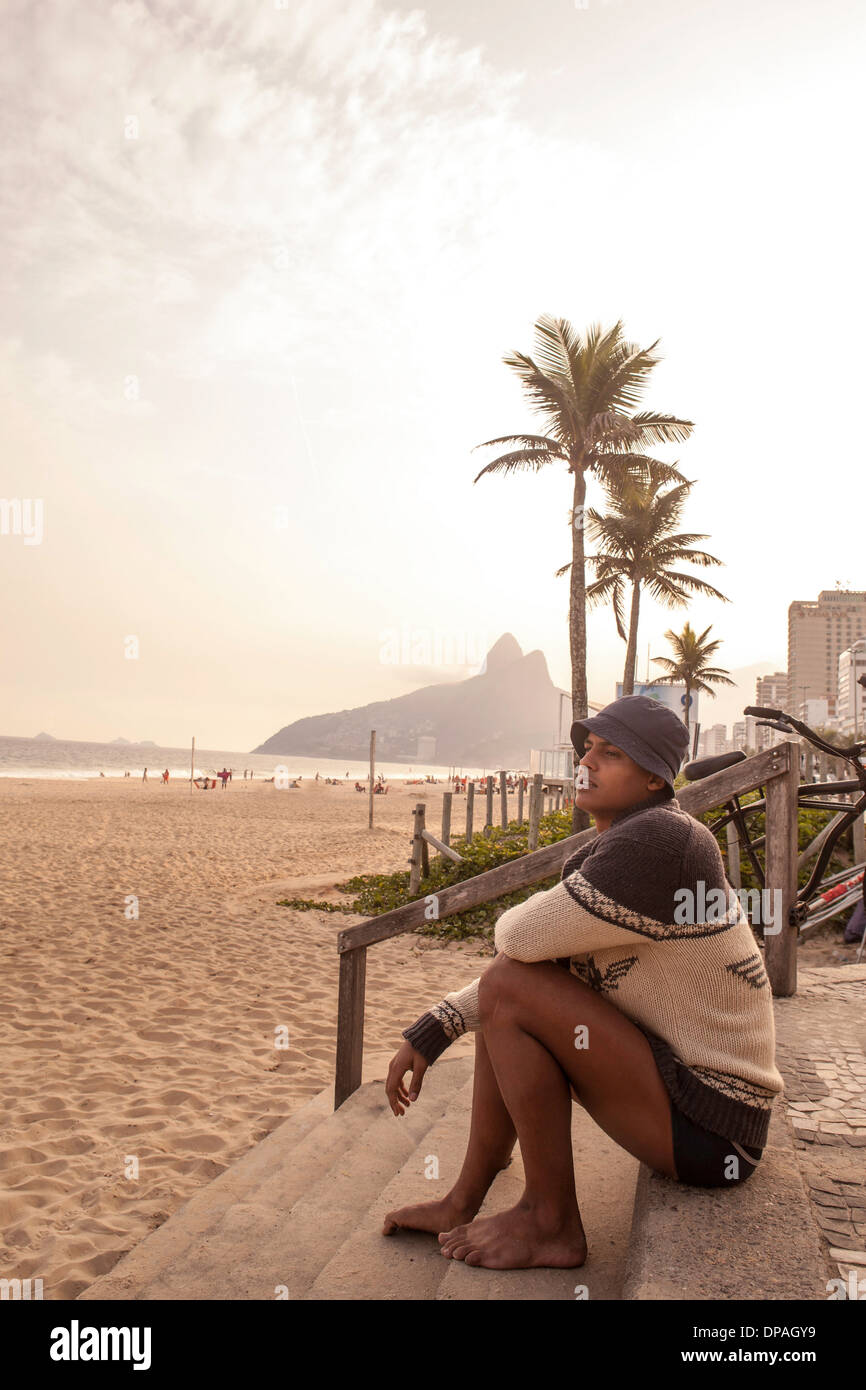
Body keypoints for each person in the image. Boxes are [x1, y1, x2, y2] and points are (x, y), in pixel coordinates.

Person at [382, 694, 784, 1270]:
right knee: (510, 988)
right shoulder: (634, 841)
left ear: (653, 779)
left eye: (611, 753)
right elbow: (534, 968)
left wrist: (442, 1023)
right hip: (690, 1103)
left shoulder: (662, 843)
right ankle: (463, 1200)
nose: (587, 763)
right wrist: (434, 1029)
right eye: (587, 749)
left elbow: (516, 940)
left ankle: (551, 1222)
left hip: (714, 1125)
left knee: (509, 984)